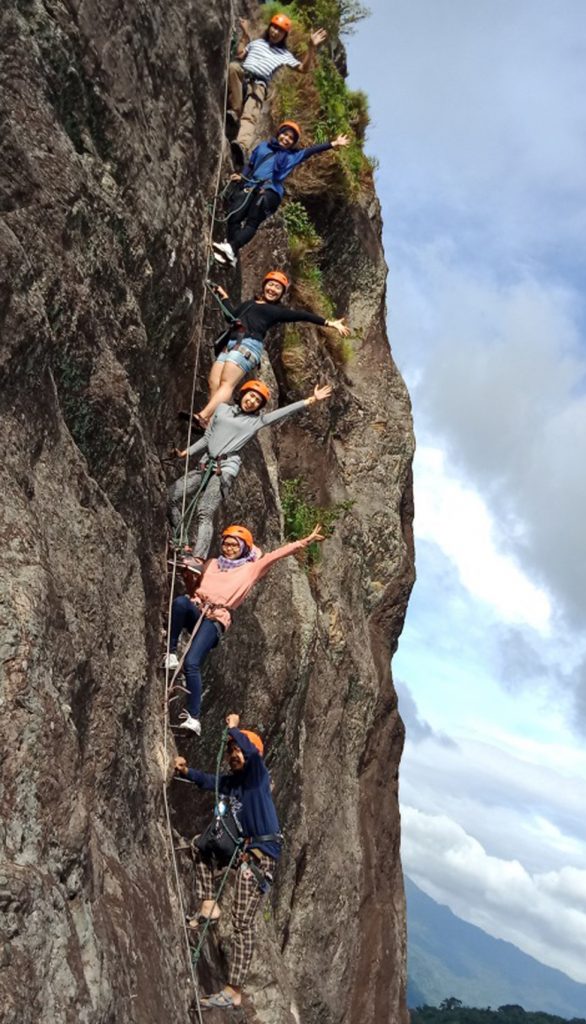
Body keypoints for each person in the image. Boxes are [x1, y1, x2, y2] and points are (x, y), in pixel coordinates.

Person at [168, 522, 324, 735]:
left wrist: (304, 542)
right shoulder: (212, 563)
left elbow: (275, 556)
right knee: (180, 603)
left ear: (244, 547)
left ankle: (194, 718)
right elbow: (196, 589)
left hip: (216, 619)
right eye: (226, 544)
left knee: (192, 662)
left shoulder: (250, 569)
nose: (229, 548)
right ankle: (170, 653)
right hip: (199, 609)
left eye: (234, 545)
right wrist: (189, 579)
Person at [174, 713, 281, 1010]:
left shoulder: (258, 776)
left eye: (238, 751)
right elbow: (210, 781)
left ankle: (234, 990)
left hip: (261, 857)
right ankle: (209, 904)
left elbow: (250, 751)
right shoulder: (234, 783)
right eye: (231, 751)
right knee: (201, 847)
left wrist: (234, 729)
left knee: (243, 923)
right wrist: (185, 771)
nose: (234, 755)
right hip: (244, 852)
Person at [169, 378, 333, 560]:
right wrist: (186, 453)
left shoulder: (255, 421)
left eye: (258, 401)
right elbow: (208, 438)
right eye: (252, 396)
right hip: (206, 464)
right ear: (244, 394)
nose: (253, 401)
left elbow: (282, 413)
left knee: (205, 511)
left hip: (225, 469)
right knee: (172, 497)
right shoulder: (222, 409)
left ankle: (198, 558)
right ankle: (182, 543)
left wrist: (312, 399)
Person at [189, 271, 348, 428]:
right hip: (231, 344)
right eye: (270, 284)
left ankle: (203, 416)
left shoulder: (277, 311)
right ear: (264, 286)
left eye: (278, 288)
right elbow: (231, 315)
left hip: (248, 345)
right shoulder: (249, 304)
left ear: (281, 294)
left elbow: (302, 315)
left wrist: (329, 323)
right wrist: (224, 297)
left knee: (226, 384)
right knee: (214, 382)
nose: (273, 289)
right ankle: (210, 422)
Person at [212, 121, 349, 267]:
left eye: (291, 138)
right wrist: (242, 176)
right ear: (279, 133)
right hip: (252, 185)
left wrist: (333, 143)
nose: (286, 139)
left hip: (270, 191)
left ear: (293, 143)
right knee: (234, 216)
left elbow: (311, 151)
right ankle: (232, 251)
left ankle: (231, 248)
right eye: (285, 134)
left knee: (253, 221)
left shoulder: (292, 156)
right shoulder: (264, 146)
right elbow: (251, 164)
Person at [227, 12, 328, 156]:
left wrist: (311, 47)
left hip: (259, 85)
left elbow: (303, 69)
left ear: (284, 36)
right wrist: (245, 33)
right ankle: (235, 111)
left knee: (250, 115)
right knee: (233, 67)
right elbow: (240, 54)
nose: (275, 32)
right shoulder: (257, 43)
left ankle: (241, 146)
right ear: (269, 28)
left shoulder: (284, 54)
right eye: (274, 28)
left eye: (280, 31)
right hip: (244, 74)